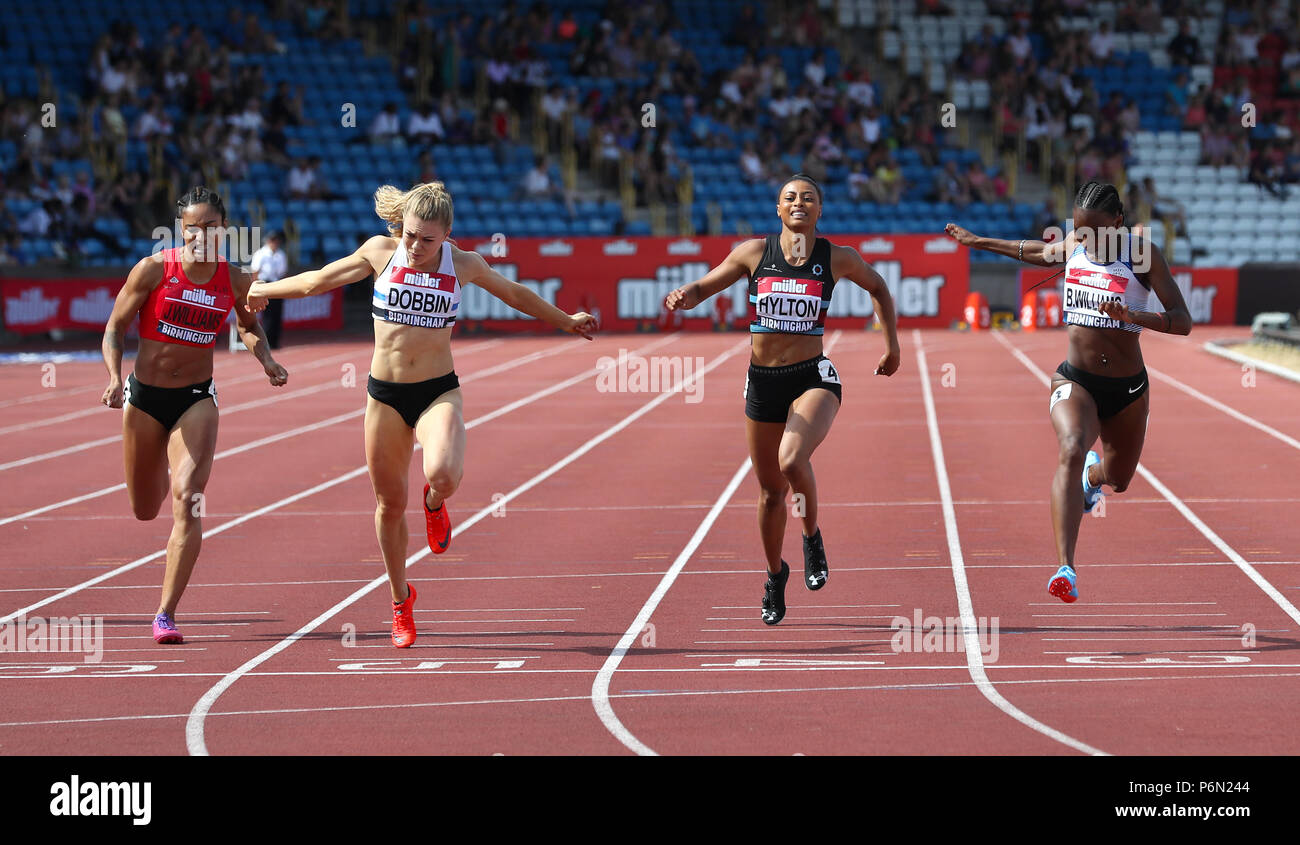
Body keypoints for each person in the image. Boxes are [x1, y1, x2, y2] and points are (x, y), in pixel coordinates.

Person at [246, 182, 597, 647]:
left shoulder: (463, 264)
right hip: (385, 397)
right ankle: (400, 600)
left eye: (427, 240)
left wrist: (565, 321)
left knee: (444, 473)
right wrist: (260, 289)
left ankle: (435, 503)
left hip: (437, 392)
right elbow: (318, 279)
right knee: (389, 506)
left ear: (447, 235)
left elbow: (513, 294)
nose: (414, 246)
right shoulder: (380, 252)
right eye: (410, 235)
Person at [664, 175, 901, 625]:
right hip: (763, 381)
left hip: (813, 377)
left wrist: (892, 346)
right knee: (771, 492)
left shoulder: (836, 258)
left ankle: (811, 537)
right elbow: (706, 285)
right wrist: (686, 296)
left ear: (819, 210)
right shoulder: (755, 253)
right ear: (778, 209)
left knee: (792, 460)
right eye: (790, 197)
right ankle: (775, 575)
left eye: (808, 198)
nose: (799, 203)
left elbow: (879, 288)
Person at [944, 181, 1193, 603]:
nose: (1085, 239)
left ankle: (1092, 477)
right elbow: (1034, 251)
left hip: (1128, 388)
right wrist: (977, 241)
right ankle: (1066, 568)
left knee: (1120, 479)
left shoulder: (1142, 256)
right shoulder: (1075, 244)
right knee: (1071, 446)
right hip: (1075, 379)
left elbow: (1182, 320)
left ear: (1117, 222)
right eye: (1078, 230)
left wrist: (1135, 315)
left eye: (1095, 231)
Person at [100, 186, 288, 644]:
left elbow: (249, 327)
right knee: (146, 509)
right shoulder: (152, 270)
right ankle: (161, 466)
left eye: (210, 227)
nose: (201, 235)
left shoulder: (235, 280)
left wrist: (266, 361)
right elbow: (114, 327)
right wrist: (112, 376)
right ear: (180, 230)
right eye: (192, 228)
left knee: (189, 498)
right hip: (144, 399)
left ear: (223, 229)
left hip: (196, 398)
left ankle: (165, 613)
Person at [248, 230, 288, 348]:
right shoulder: (261, 254)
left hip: (276, 283)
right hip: (264, 283)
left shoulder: (281, 254)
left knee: (277, 313)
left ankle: (275, 341)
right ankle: (267, 341)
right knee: (267, 314)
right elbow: (255, 271)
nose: (275, 243)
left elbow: (282, 272)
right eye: (272, 240)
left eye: (276, 240)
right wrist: (255, 286)